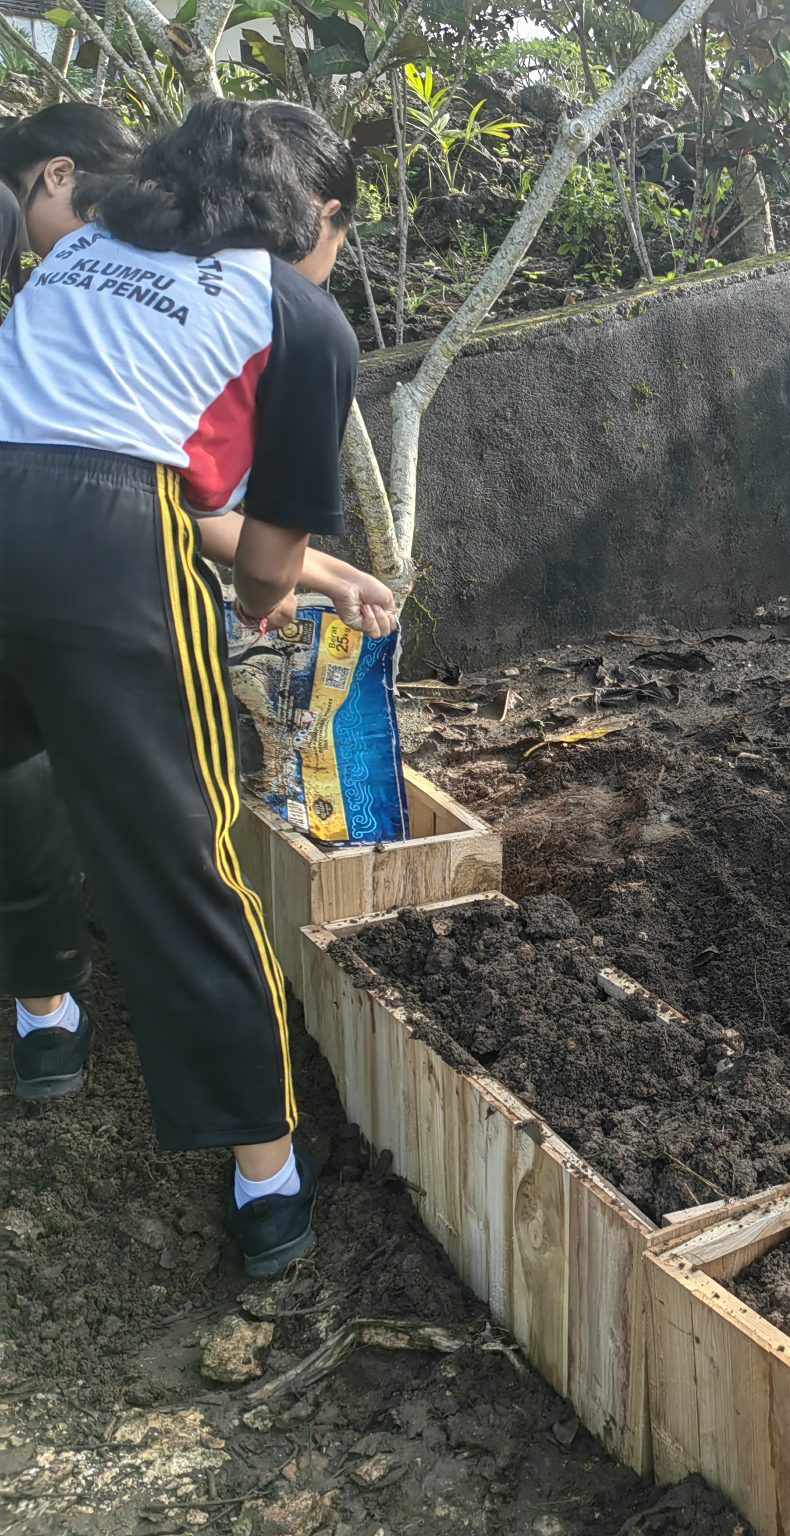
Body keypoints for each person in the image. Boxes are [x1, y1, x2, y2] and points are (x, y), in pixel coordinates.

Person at [0, 100, 381, 1275]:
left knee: (15, 782)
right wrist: (279, 597)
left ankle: (43, 1024)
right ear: (314, 214)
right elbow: (249, 552)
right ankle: (266, 1177)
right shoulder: (299, 316)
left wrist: (304, 567)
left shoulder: (85, 245)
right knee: (184, 852)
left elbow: (114, 449)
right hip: (113, 553)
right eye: (340, 229)